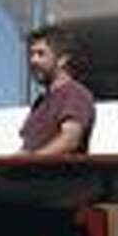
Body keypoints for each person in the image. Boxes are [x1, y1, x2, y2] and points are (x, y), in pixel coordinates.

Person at [19, 26, 95, 155]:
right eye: (31, 54)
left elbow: (70, 140)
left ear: (62, 60)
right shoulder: (39, 103)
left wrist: (33, 161)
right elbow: (27, 148)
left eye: (40, 54)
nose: (33, 60)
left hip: (57, 169)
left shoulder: (75, 94)